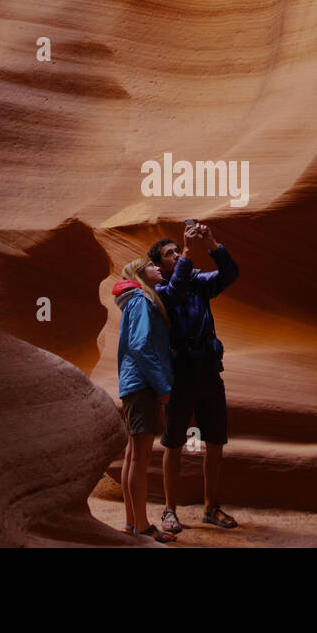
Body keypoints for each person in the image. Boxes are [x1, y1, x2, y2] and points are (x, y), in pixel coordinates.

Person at [150, 222, 240, 532]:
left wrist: (213, 243)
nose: (176, 255)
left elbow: (230, 274)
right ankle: (169, 510)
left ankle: (210, 508)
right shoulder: (161, 289)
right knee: (174, 443)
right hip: (180, 375)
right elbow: (174, 294)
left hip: (209, 373)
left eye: (177, 251)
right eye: (169, 253)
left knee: (215, 441)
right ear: (159, 265)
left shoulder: (198, 282)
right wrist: (188, 251)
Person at [113, 257, 178, 543]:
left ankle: (131, 524)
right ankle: (142, 526)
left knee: (132, 455)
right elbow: (140, 345)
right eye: (153, 265)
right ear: (141, 273)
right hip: (144, 386)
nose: (159, 268)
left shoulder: (134, 301)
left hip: (133, 384)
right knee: (139, 459)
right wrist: (162, 384)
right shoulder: (141, 300)